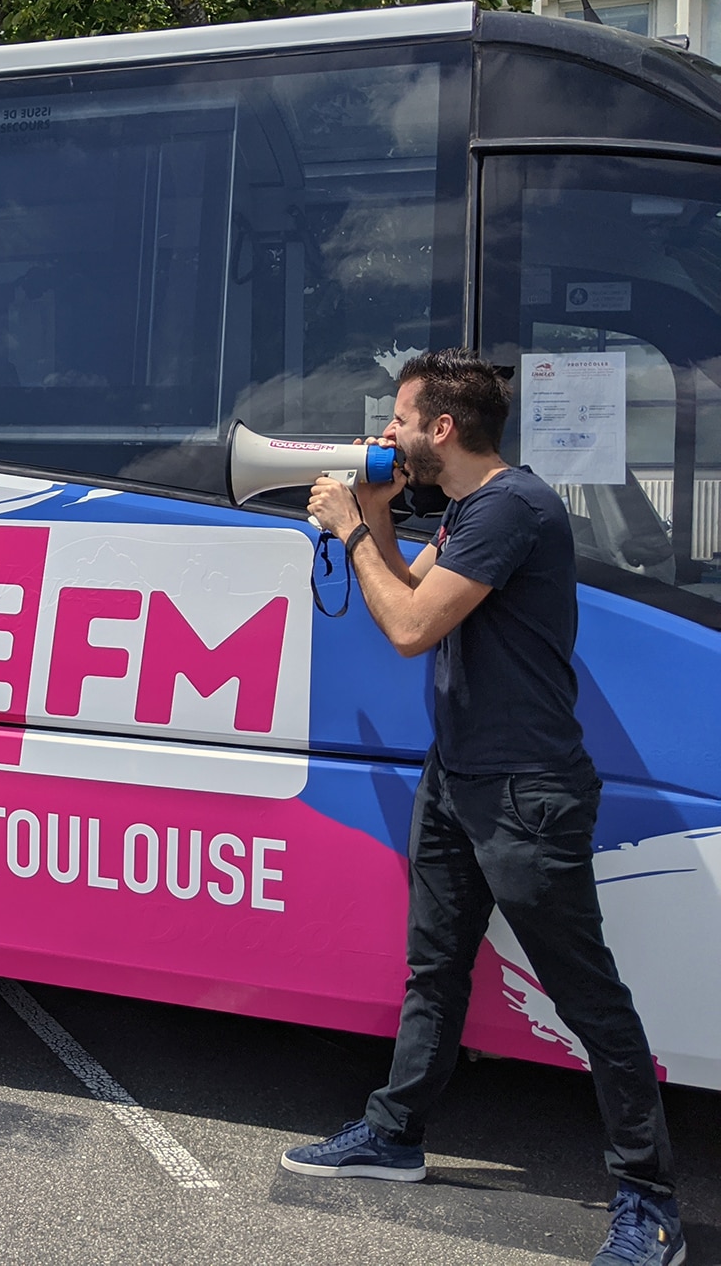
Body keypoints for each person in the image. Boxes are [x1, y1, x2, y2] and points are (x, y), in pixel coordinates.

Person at [281, 351, 681, 1266]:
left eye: (399, 421)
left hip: (523, 794)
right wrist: (377, 518)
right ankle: (395, 1134)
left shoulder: (510, 506)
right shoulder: (471, 512)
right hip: (460, 778)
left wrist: (350, 529)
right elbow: (416, 588)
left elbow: (411, 629)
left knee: (588, 1001)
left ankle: (649, 1198)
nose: (388, 434)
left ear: (444, 429)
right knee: (435, 971)